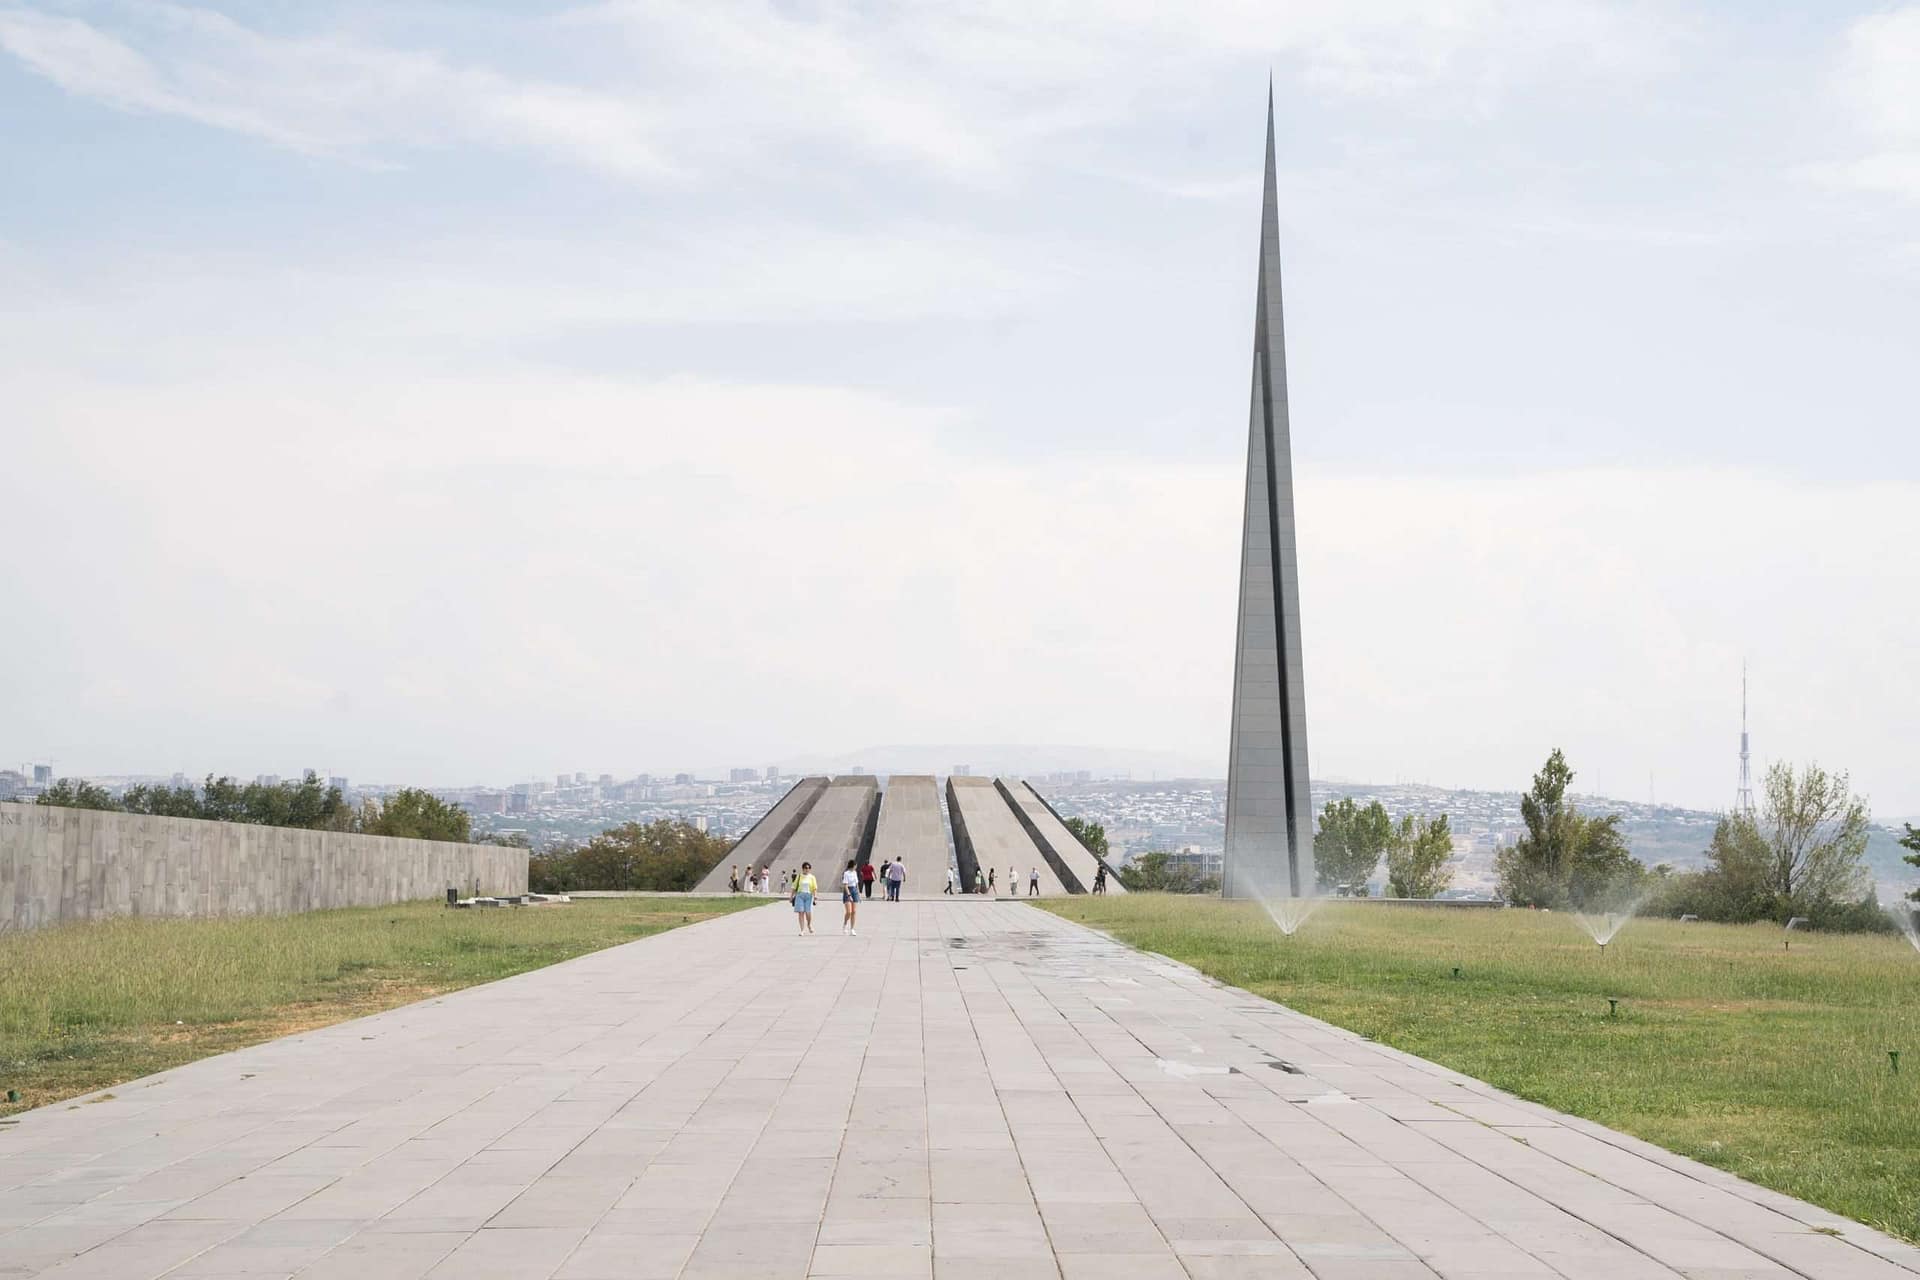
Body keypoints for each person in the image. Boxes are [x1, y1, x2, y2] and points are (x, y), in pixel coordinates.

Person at [791, 861, 817, 936]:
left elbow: (815, 888)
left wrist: (815, 896)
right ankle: (802, 930)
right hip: (800, 896)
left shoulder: (812, 877)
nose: (807, 869)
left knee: (808, 913)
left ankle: (809, 925)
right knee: (801, 912)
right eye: (805, 868)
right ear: (803, 869)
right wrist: (791, 896)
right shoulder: (799, 876)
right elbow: (794, 887)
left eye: (808, 868)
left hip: (809, 896)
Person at [841, 859, 860, 935]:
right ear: (853, 865)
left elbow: (856, 883)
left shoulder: (855, 872)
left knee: (854, 911)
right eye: (856, 865)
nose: (856, 866)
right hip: (848, 891)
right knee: (849, 912)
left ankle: (852, 928)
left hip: (854, 890)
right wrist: (849, 895)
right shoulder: (846, 873)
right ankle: (845, 925)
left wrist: (858, 893)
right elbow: (845, 885)